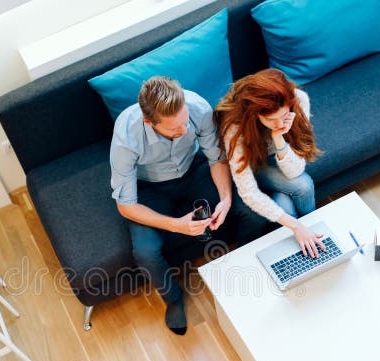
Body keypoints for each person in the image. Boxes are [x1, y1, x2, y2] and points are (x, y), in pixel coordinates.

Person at [110, 76, 268, 335]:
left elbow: (216, 158)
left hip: (195, 169)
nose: (183, 130)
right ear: (150, 122)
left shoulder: (197, 106)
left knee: (252, 211)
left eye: (185, 123)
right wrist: (175, 225)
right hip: (149, 188)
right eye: (174, 129)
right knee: (146, 252)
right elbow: (125, 205)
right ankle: (172, 300)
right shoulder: (126, 135)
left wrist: (226, 198)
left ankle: (246, 261)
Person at [215, 68, 325, 257]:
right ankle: (303, 239)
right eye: (271, 120)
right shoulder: (235, 126)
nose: (280, 123)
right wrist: (296, 226)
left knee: (289, 200)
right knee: (300, 191)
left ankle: (312, 236)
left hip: (276, 159)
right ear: (255, 115)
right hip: (248, 164)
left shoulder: (299, 100)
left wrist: (279, 138)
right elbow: (248, 192)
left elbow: (295, 171)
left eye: (284, 116)